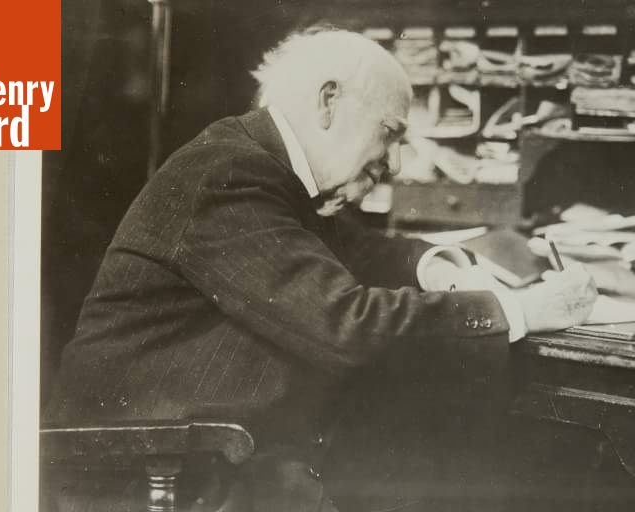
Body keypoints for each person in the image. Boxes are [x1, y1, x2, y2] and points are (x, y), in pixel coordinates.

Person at [45, 27, 597, 512]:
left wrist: (438, 266)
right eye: (390, 132)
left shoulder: (262, 166)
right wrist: (520, 310)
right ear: (329, 100)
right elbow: (345, 324)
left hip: (204, 459)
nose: (395, 162)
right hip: (149, 478)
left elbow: (357, 249)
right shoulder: (228, 172)